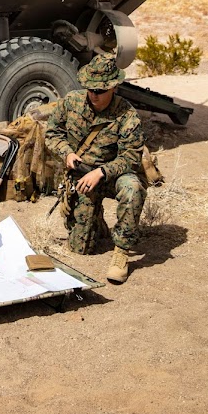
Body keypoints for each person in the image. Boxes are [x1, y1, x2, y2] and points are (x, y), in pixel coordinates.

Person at [45, 52, 146, 284]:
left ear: (113, 88)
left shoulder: (127, 115)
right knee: (81, 248)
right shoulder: (71, 102)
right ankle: (96, 220)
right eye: (90, 89)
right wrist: (66, 152)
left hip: (112, 175)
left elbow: (131, 157)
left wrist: (101, 172)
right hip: (82, 177)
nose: (94, 95)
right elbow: (52, 133)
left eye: (100, 90)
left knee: (133, 187)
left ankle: (121, 252)